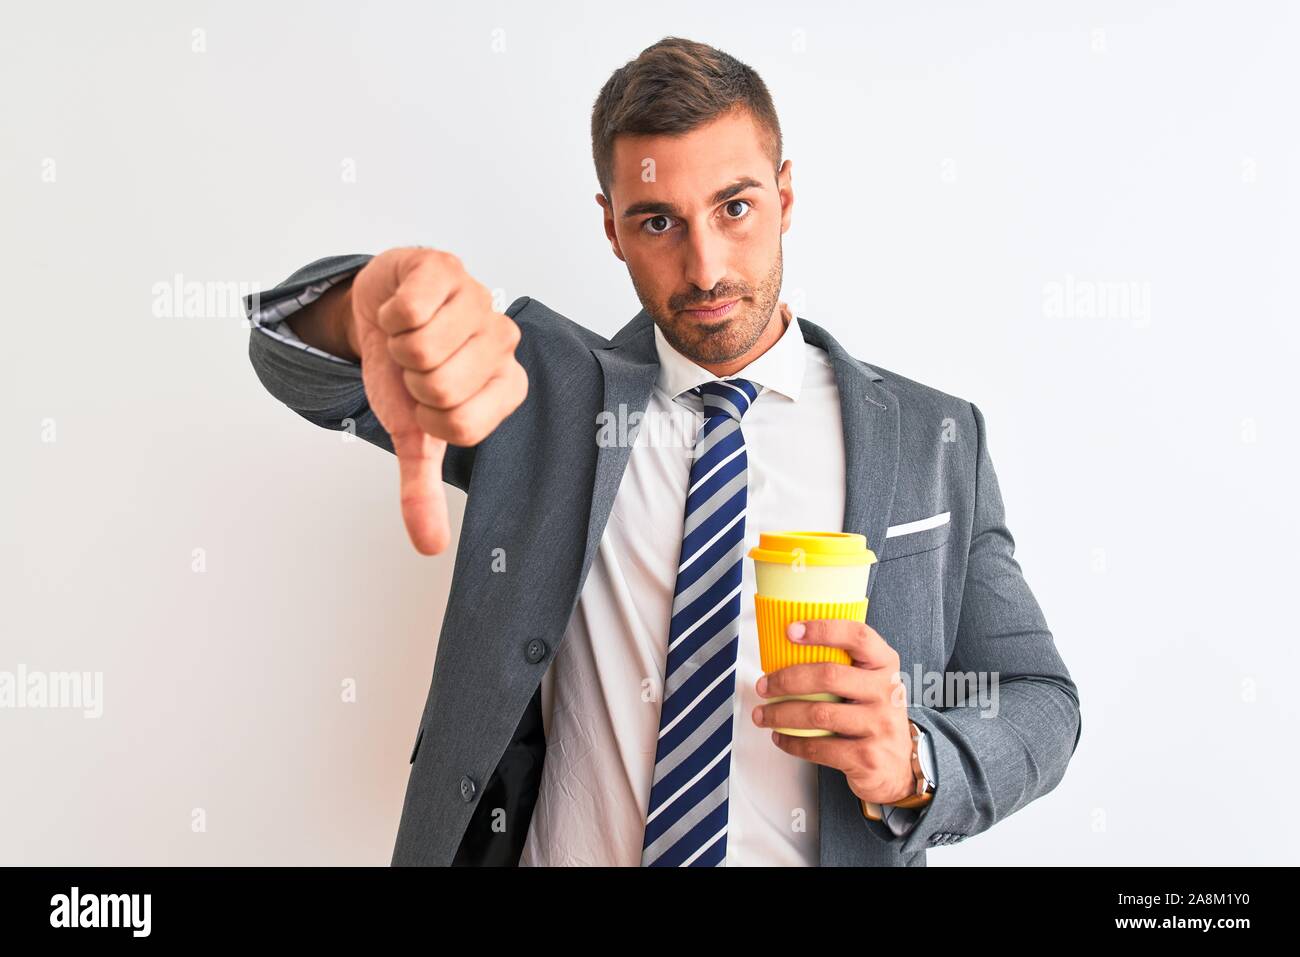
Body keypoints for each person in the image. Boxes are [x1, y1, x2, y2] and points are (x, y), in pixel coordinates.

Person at [245, 36, 1081, 866]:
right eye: (658, 222)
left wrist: (914, 762)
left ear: (786, 195)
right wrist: (357, 310)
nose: (707, 265)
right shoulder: (535, 390)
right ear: (611, 227)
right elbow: (302, 361)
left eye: (736, 206)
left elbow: (1042, 700)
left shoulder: (933, 437)